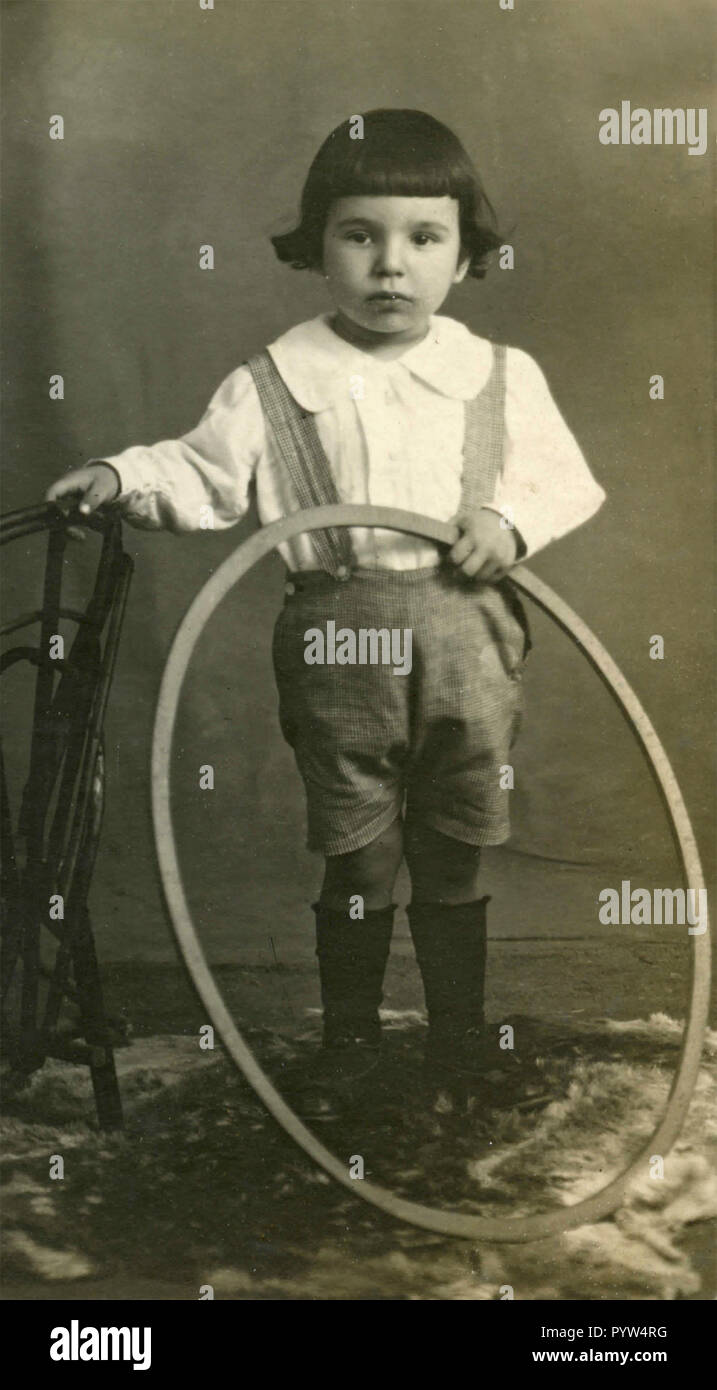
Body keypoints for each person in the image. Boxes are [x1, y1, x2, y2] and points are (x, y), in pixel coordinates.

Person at [46, 109, 606, 1117]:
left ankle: (458, 1038)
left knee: (453, 839)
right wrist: (120, 473)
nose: (391, 265)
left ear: (466, 255)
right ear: (317, 246)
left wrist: (508, 520)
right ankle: (350, 1039)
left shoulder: (499, 376)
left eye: (423, 238)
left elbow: (563, 478)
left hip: (468, 634)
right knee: (359, 845)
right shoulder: (276, 382)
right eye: (360, 235)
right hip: (338, 642)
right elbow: (202, 473)